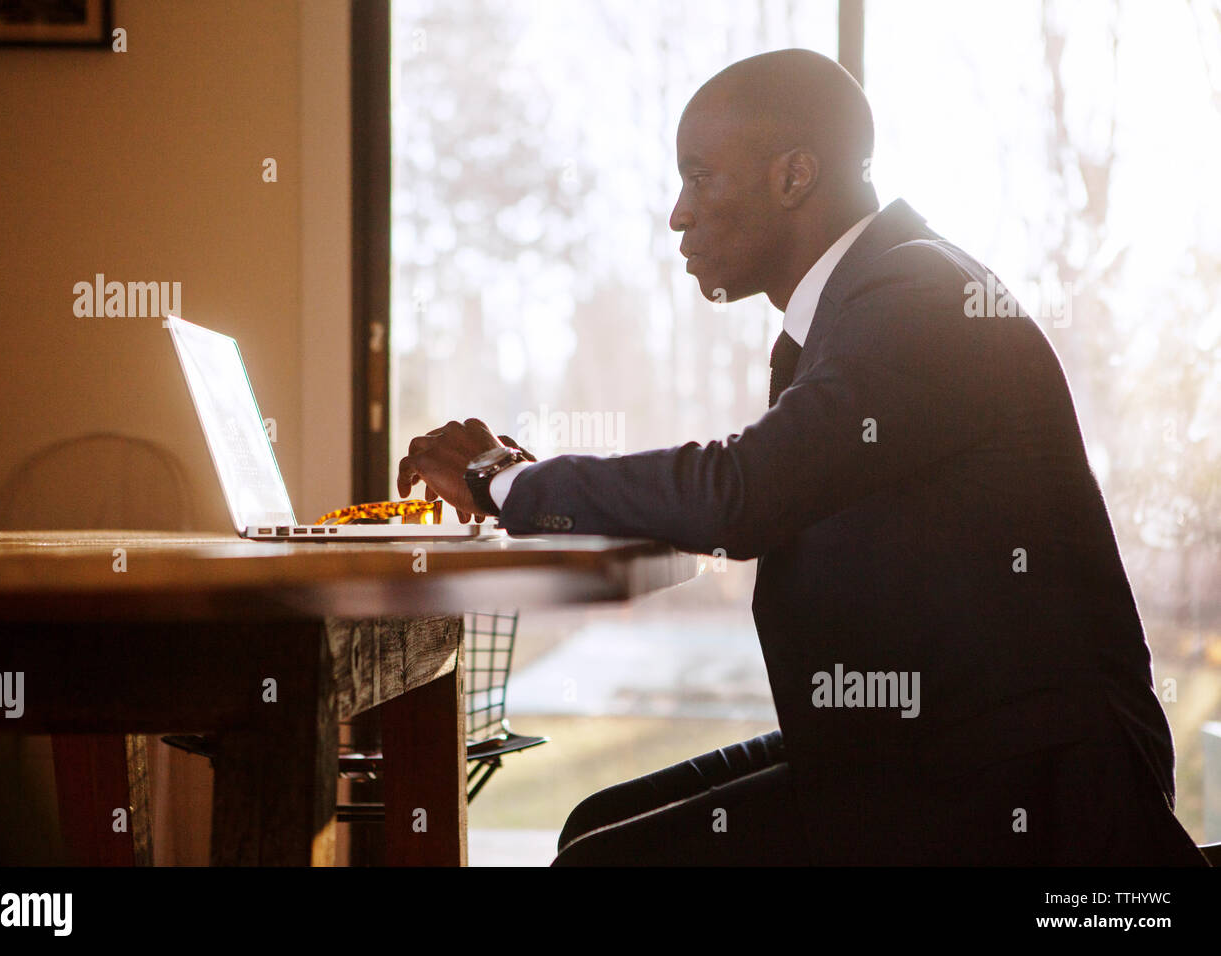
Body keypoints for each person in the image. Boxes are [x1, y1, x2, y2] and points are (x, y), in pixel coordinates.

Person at [397, 49, 1205, 865]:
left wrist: (504, 480)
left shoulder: (918, 300)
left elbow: (742, 492)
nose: (678, 214)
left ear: (794, 177)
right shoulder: (864, 303)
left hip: (1029, 789)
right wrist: (539, 485)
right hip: (921, 749)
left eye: (699, 176)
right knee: (594, 826)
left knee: (599, 862)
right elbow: (751, 486)